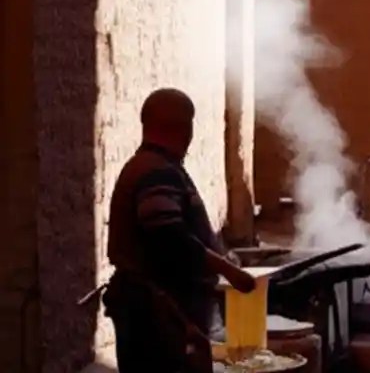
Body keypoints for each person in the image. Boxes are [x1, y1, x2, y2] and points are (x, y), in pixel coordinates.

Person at [104, 88, 257, 372]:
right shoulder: (155, 172)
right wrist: (228, 270)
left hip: (162, 315)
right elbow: (169, 238)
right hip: (158, 319)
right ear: (181, 128)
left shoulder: (153, 167)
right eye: (188, 126)